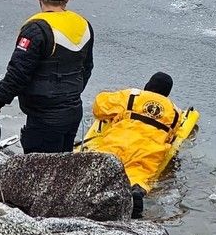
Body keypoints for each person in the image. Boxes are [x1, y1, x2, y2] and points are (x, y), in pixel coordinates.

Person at [0, 0, 94, 153]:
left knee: (41, 175)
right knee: (63, 170)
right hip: (73, 112)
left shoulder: (35, 29)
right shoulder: (83, 25)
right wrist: (70, 96)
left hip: (44, 118)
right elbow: (87, 69)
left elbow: (17, 74)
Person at [78, 72, 184, 218]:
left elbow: (99, 107)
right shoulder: (175, 113)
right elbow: (172, 138)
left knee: (103, 165)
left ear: (148, 85)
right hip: (147, 153)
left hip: (118, 143)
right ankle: (135, 191)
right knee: (138, 176)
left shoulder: (132, 96)